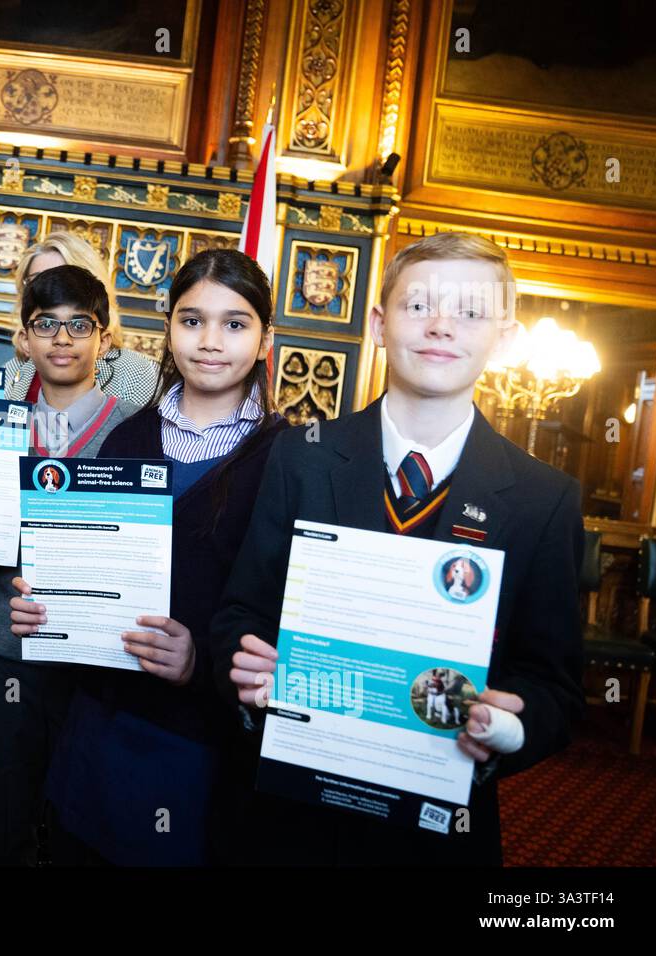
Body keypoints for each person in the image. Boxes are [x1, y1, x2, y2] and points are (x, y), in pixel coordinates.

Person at [217, 231, 584, 865]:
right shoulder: (299, 457)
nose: (441, 326)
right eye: (419, 306)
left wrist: (511, 726)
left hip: (437, 834)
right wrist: (247, 676)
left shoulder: (543, 498)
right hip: (291, 817)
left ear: (506, 337)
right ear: (382, 324)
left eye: (470, 312)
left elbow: (554, 684)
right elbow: (238, 615)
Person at [8, 249, 288, 865]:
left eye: (234, 324)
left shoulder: (290, 458)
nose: (210, 342)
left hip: (201, 745)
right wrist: (47, 604)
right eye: (191, 321)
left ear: (266, 339)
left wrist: (202, 660)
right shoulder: (129, 436)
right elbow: (91, 569)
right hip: (98, 725)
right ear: (168, 328)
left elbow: (293, 621)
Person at [0, 264, 138, 865]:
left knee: (80, 809)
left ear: (106, 339)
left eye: (78, 325)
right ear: (24, 339)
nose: (62, 339)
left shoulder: (136, 433)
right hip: (9, 645)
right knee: (9, 805)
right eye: (46, 325)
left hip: (97, 656)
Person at [4, 232, 158, 405]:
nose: (51, 288)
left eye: (67, 278)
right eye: (38, 280)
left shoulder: (138, 374)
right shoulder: (9, 372)